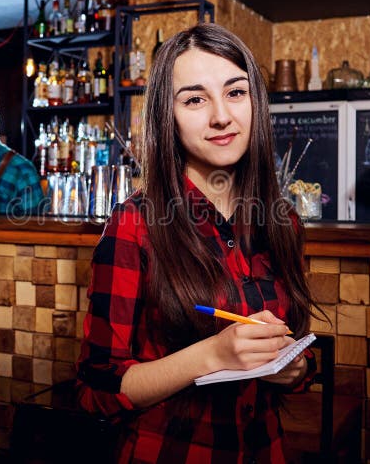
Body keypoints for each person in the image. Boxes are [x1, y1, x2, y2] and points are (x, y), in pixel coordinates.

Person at [76, 23, 321, 463]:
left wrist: (294, 367)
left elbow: (294, 341)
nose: (221, 116)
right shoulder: (135, 225)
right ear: (166, 117)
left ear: (255, 103)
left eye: (235, 92)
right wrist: (211, 354)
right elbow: (99, 391)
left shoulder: (282, 221)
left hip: (265, 450)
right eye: (194, 99)